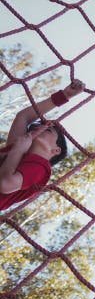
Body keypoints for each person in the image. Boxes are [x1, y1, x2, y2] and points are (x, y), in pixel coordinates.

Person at [0, 79, 85, 211]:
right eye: (38, 126)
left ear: (56, 150)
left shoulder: (41, 167)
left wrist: (17, 149)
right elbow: (23, 117)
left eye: (48, 130)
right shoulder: (18, 148)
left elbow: (5, 184)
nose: (40, 128)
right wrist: (64, 95)